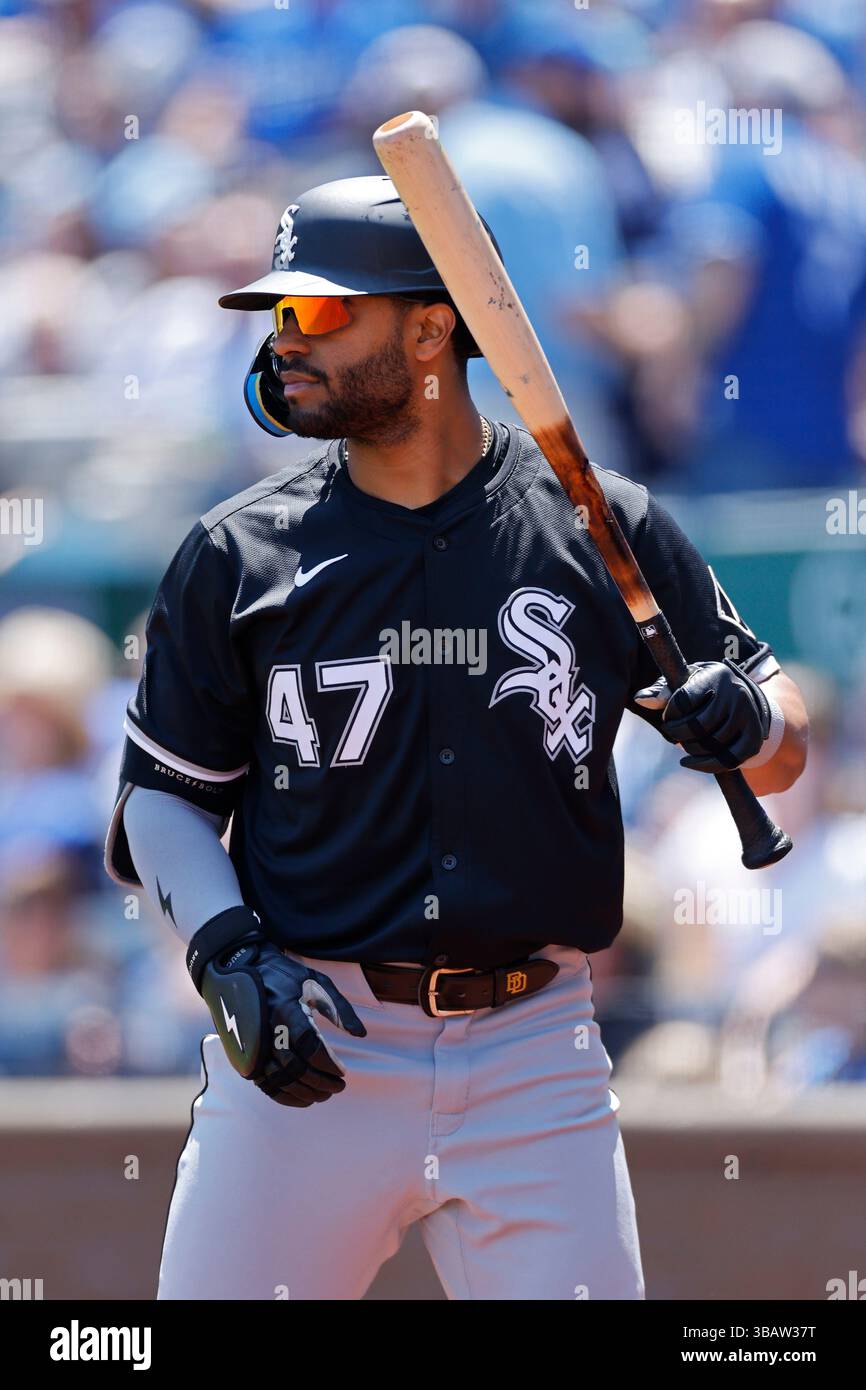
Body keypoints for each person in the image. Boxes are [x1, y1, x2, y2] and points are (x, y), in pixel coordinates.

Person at [105, 174, 808, 1300]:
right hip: (313, 1043)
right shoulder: (238, 553)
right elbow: (165, 793)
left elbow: (782, 753)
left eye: (323, 312)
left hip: (537, 1050)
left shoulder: (599, 521)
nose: (288, 340)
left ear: (432, 326)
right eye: (280, 314)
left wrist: (749, 716)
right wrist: (227, 951)